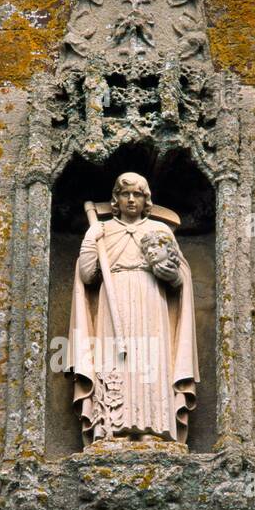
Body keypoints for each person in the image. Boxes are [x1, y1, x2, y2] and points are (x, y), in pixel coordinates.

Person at [68, 171, 198, 446]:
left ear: (145, 199)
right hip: (112, 299)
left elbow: (179, 279)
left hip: (150, 298)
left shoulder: (160, 231)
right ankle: (111, 429)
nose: (130, 199)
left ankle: (155, 426)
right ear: (115, 198)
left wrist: (169, 273)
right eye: (125, 194)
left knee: (151, 361)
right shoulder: (103, 231)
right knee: (115, 363)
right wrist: (91, 238)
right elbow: (88, 275)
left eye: (137, 194)